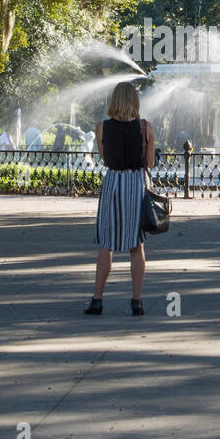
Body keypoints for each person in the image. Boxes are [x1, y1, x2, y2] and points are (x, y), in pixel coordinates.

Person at [87, 81, 155, 316]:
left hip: (113, 183)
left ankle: (97, 300)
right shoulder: (145, 127)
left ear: (114, 101)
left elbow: (105, 157)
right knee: (136, 244)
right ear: (135, 101)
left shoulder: (102, 128)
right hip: (135, 184)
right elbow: (149, 163)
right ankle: (136, 301)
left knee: (106, 244)